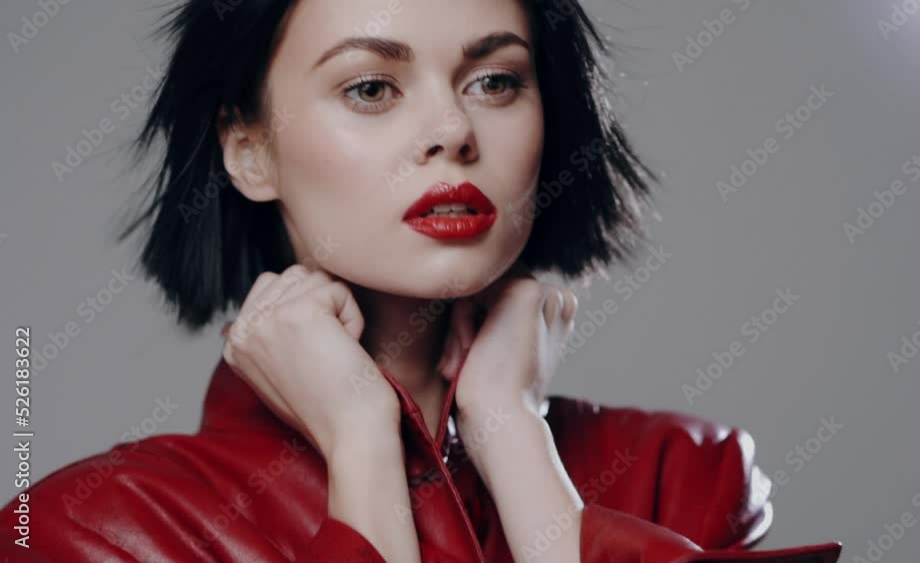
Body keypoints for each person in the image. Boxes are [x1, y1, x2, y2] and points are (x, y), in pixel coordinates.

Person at [1, 0, 842, 561]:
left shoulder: (685, 477)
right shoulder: (97, 529)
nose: (451, 129)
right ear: (249, 149)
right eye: (371, 87)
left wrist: (510, 433)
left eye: (496, 81)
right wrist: (361, 441)